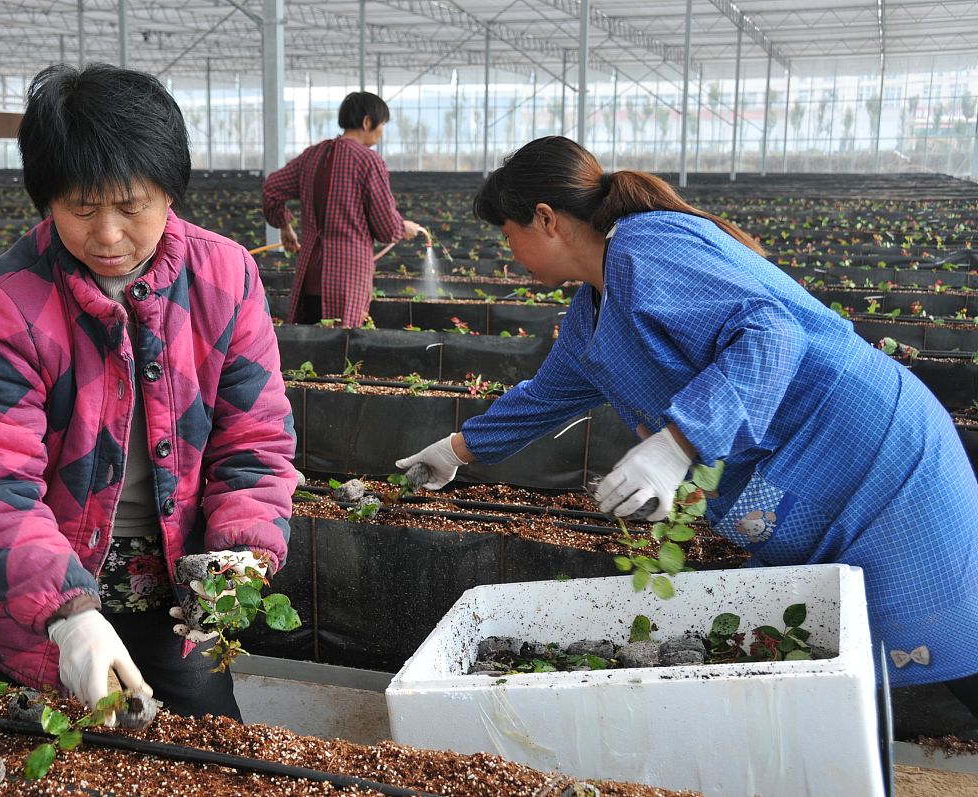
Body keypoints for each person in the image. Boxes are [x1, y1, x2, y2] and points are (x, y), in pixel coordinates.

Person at [396, 136, 978, 711]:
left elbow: (772, 333)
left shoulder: (647, 248)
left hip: (873, 454)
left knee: (936, 621)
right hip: (804, 473)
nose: (508, 253)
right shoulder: (590, 309)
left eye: (508, 234)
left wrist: (678, 445)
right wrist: (455, 450)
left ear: (545, 219)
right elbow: (546, 397)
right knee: (839, 646)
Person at [0, 63, 297, 725]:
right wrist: (69, 616)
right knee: (64, 744)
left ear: (170, 190)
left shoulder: (226, 278)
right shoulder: (4, 302)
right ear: (47, 197)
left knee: (203, 742)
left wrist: (240, 554)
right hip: (35, 597)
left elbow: (255, 441)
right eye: (80, 207)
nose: (106, 234)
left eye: (131, 206)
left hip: (176, 587)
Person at [262, 91, 426, 327]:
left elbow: (271, 188)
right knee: (341, 348)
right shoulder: (368, 161)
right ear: (367, 122)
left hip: (309, 275)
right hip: (347, 278)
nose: (382, 132)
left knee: (310, 347)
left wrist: (285, 226)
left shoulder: (312, 155)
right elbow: (386, 228)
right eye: (382, 125)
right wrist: (403, 227)